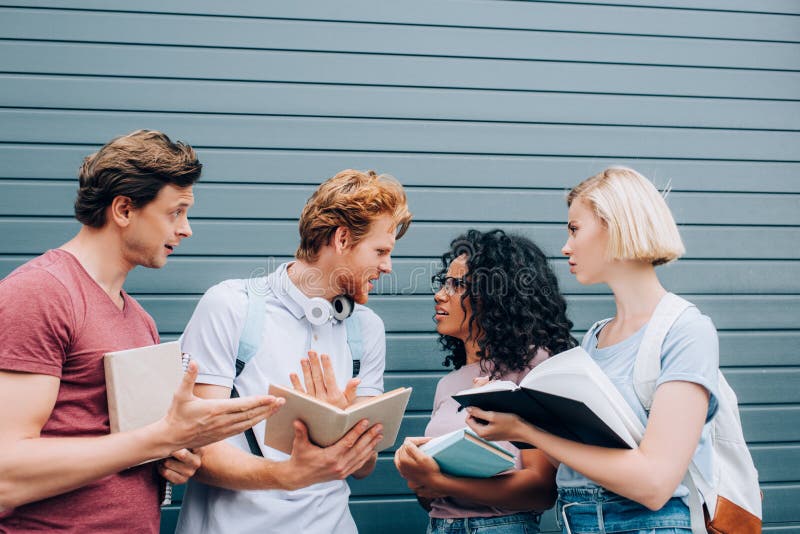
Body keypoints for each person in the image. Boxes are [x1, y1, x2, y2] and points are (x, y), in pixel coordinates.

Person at [0, 130, 282, 533]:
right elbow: (5, 472)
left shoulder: (139, 320)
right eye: (175, 212)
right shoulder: (41, 294)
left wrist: (174, 457)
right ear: (124, 210)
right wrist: (161, 438)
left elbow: (132, 445)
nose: (186, 230)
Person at [467, 167, 720, 534]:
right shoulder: (597, 337)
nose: (566, 246)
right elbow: (580, 460)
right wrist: (507, 414)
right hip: (577, 521)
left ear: (616, 226)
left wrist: (529, 431)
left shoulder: (686, 331)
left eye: (574, 229)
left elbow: (654, 484)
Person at [175, 169, 413, 534]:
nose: (387, 266)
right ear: (343, 238)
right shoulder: (230, 306)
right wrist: (289, 475)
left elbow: (363, 468)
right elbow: (198, 448)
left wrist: (342, 422)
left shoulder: (367, 328)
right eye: (380, 251)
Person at [394, 229, 576, 534]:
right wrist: (422, 481)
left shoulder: (533, 370)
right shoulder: (448, 385)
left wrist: (442, 482)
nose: (440, 295)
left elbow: (541, 489)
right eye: (443, 283)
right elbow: (437, 501)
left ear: (496, 296)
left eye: (456, 285)